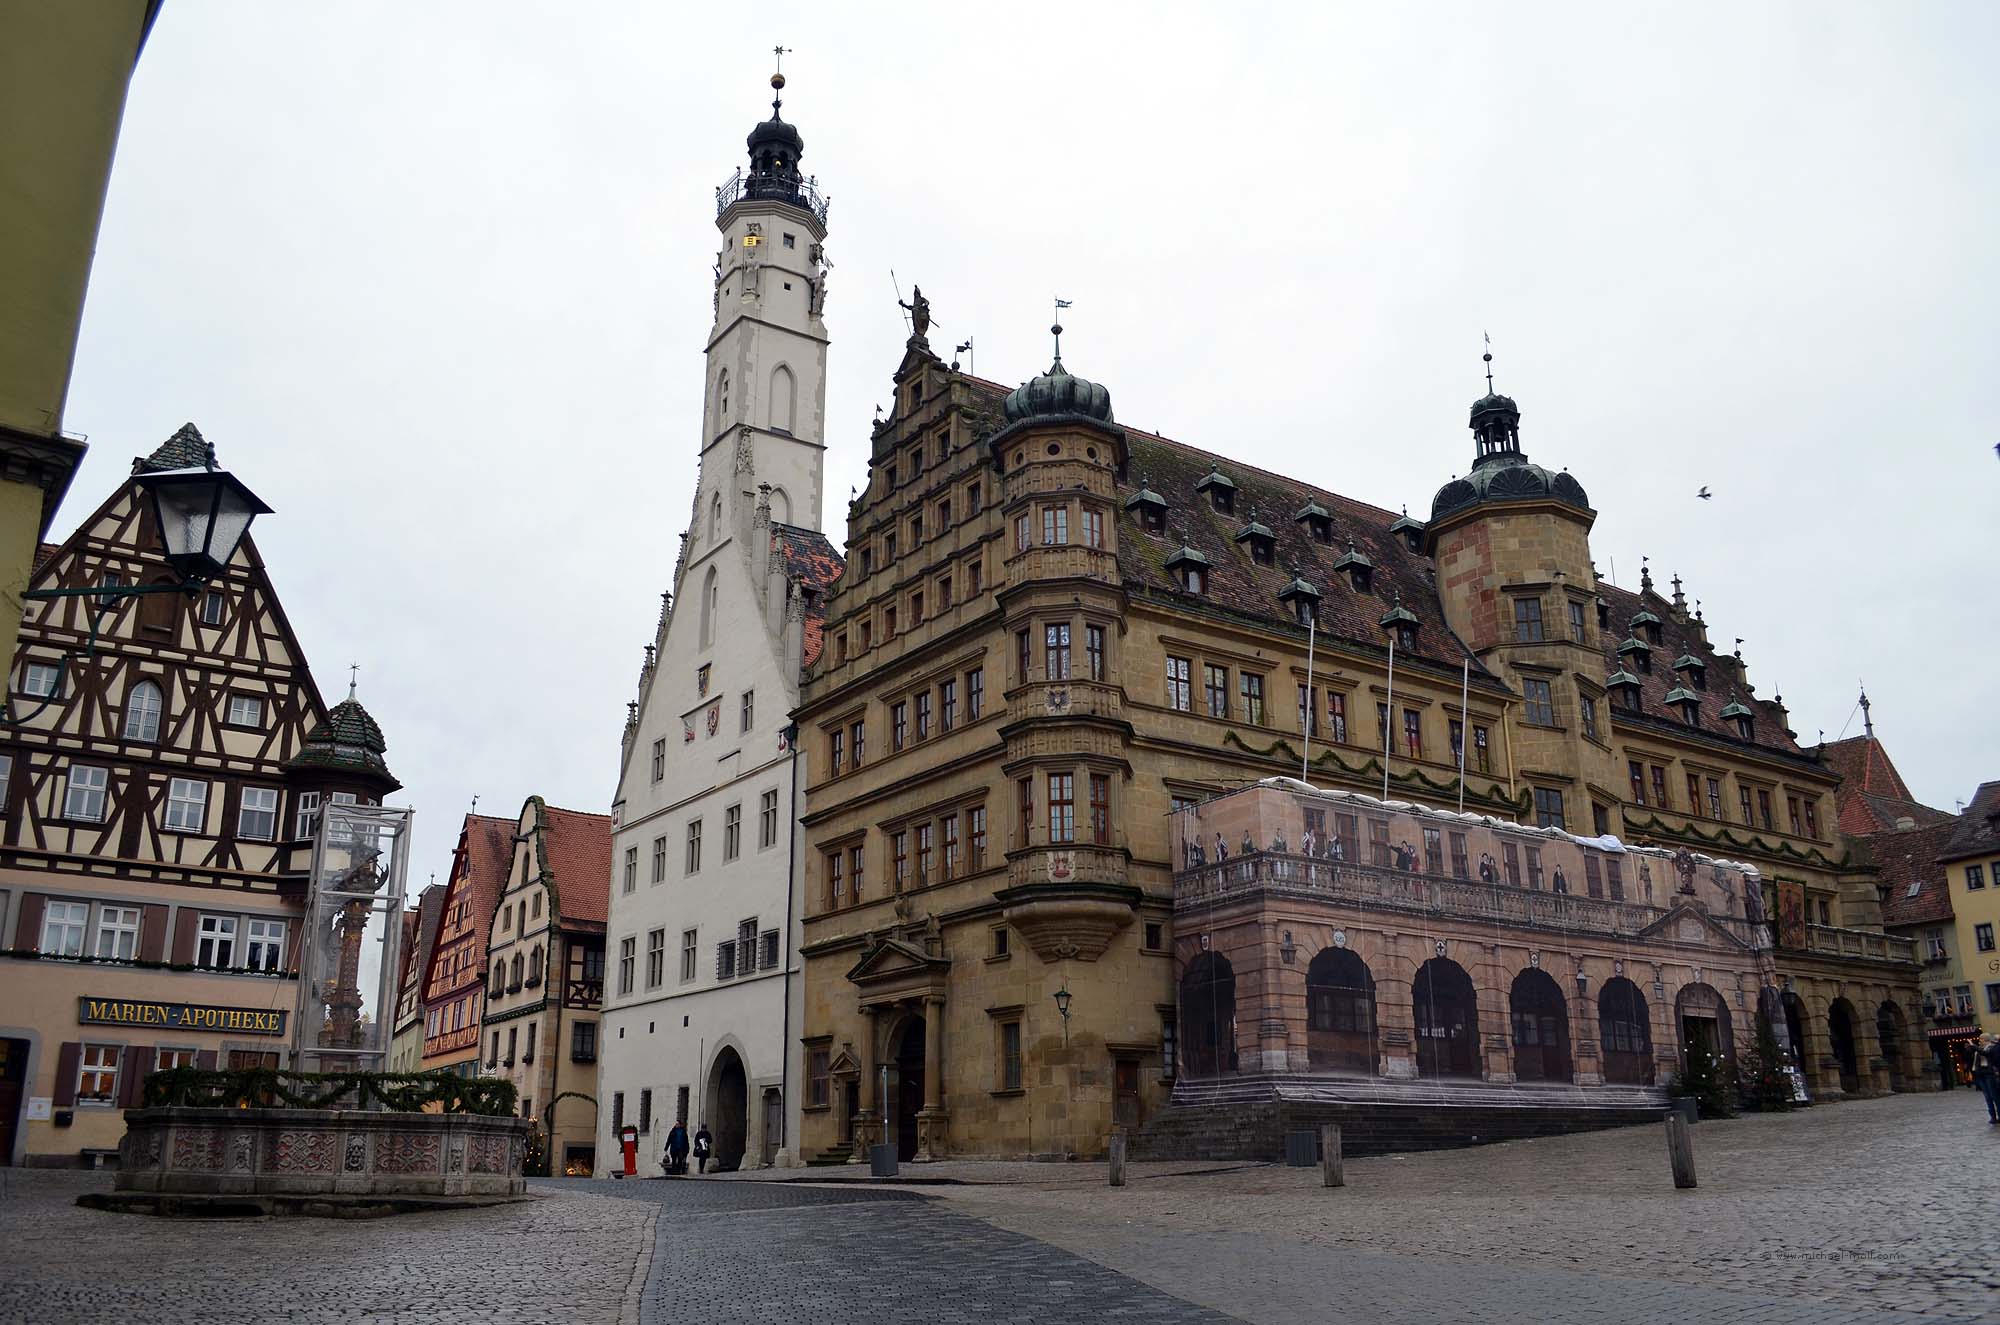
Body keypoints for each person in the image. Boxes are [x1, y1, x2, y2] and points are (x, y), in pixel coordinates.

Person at [1975, 1034, 2000, 1124]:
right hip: (1981, 1075)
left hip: (1989, 1074)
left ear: (1985, 1039)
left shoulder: (1991, 1048)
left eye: (1981, 1039)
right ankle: (1992, 1116)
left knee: (1994, 1096)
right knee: (1987, 1097)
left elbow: (1986, 1054)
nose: (1979, 1041)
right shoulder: (1979, 1049)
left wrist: (1975, 1048)